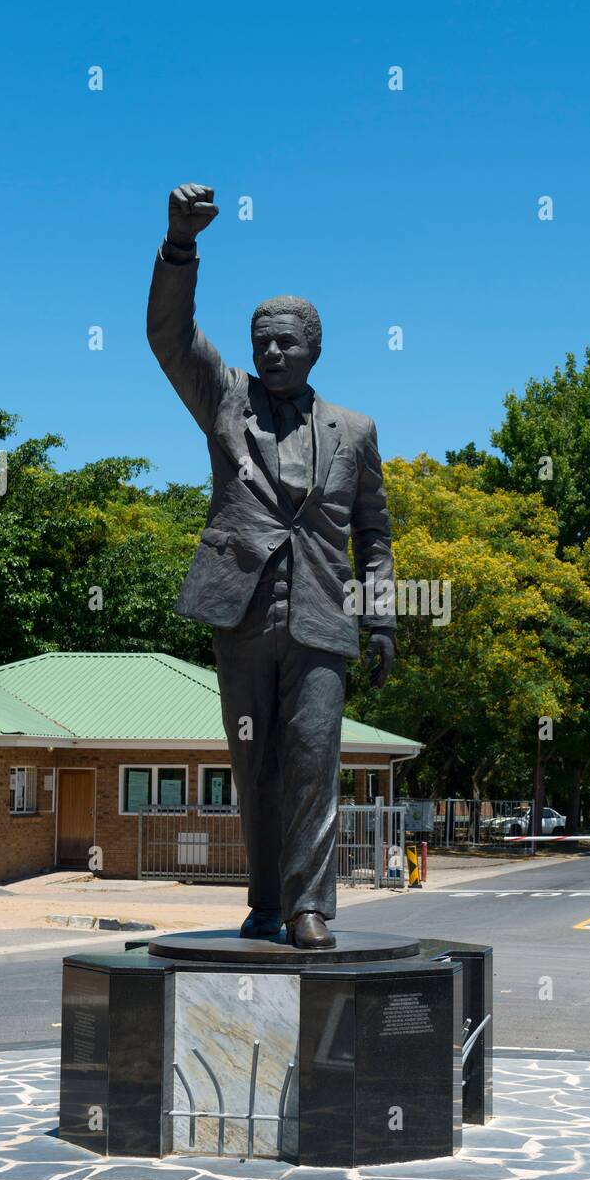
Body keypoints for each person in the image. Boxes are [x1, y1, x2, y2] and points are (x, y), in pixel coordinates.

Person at [147, 184, 396, 949]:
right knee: (253, 765)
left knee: (313, 764)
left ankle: (310, 906)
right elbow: (170, 336)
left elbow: (373, 534)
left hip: (322, 620)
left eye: (286, 342)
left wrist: (380, 615)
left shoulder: (353, 430)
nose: (272, 354)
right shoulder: (226, 401)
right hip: (243, 616)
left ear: (314, 347)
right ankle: (263, 901)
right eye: (262, 343)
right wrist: (179, 247)